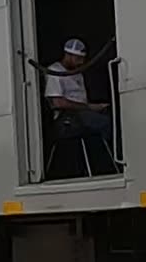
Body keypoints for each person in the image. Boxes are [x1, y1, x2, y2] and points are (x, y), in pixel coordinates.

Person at [44, 38, 118, 175]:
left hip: (82, 113)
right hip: (67, 118)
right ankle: (105, 164)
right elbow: (58, 102)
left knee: (112, 116)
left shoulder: (77, 71)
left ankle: (105, 160)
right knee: (104, 123)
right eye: (78, 59)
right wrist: (90, 107)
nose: (81, 62)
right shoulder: (55, 71)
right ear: (68, 55)